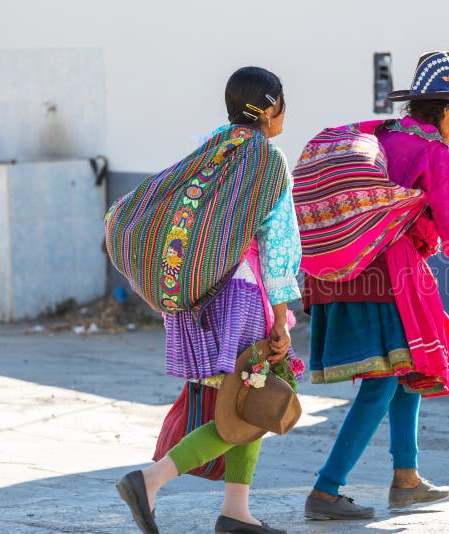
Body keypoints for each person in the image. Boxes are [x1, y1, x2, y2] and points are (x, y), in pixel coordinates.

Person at [301, 51, 449, 520]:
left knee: (408, 368)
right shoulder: (431, 149)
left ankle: (406, 479)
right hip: (387, 277)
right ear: (446, 110)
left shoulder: (381, 134)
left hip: (346, 266)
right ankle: (325, 491)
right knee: (382, 382)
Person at [115, 66, 301, 534]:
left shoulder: (213, 146)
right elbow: (277, 245)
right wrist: (281, 318)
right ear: (271, 108)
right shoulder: (267, 161)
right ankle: (150, 480)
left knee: (249, 397)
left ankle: (236, 510)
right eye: (283, 104)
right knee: (251, 400)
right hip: (243, 295)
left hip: (203, 297)